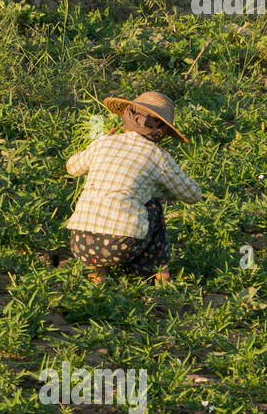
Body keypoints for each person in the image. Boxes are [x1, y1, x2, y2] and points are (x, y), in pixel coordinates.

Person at [65, 91, 202, 284]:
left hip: (81, 244)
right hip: (122, 245)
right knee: (153, 206)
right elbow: (193, 195)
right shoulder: (157, 156)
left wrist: (98, 142)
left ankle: (97, 274)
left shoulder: (104, 143)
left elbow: (72, 167)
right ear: (161, 130)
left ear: (127, 117)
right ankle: (160, 274)